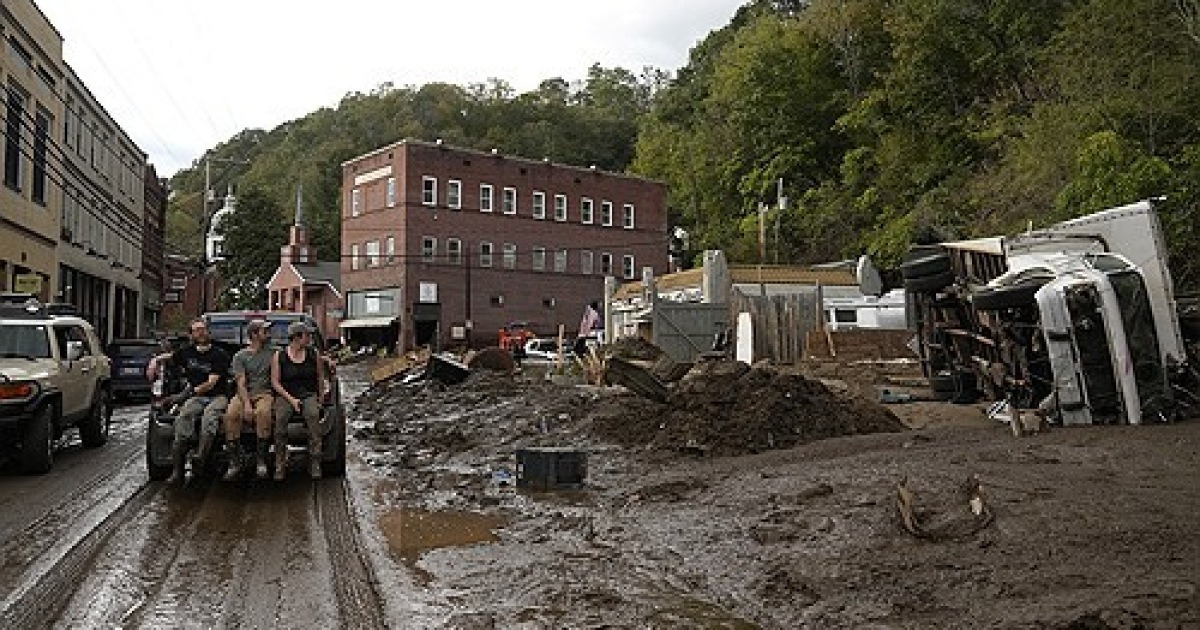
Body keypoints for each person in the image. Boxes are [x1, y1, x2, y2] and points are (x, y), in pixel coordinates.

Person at [150, 318, 231, 484]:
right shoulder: (187, 352)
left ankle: (200, 458)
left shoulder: (219, 354)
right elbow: (171, 356)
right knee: (184, 417)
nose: (200, 333)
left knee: (209, 418)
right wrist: (155, 361)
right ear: (191, 334)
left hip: (217, 396)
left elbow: (210, 383)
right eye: (196, 330)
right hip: (196, 398)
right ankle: (177, 470)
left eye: (202, 329)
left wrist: (182, 396)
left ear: (208, 332)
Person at [271, 321, 330, 480]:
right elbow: (275, 382)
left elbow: (319, 376)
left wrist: (321, 396)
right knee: (280, 421)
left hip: (308, 394)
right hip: (286, 394)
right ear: (297, 337)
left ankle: (315, 460)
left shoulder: (313, 354)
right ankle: (280, 462)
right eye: (307, 335)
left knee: (313, 417)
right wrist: (291, 400)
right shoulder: (280, 356)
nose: (309, 338)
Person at [221, 319, 275, 481]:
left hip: (264, 393)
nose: (268, 333)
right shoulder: (240, 356)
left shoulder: (274, 353)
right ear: (254, 335)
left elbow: (296, 354)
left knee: (264, 413)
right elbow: (241, 383)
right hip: (243, 394)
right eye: (264, 331)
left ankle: (261, 460)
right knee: (230, 415)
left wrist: (324, 360)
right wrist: (246, 405)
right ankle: (234, 461)